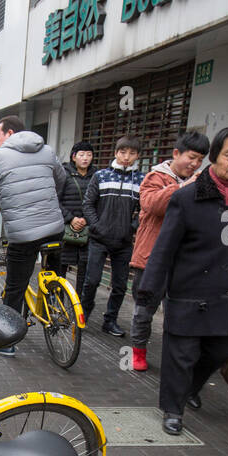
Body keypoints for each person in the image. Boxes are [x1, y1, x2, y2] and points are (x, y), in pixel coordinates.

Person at [138, 127, 228, 436]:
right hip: (190, 287)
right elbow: (165, 246)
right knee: (180, 354)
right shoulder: (188, 196)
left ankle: (190, 389)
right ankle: (172, 408)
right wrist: (149, 288)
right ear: (216, 156)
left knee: (221, 350)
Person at [0, 115, 70, 356]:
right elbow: (61, 180)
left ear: (9, 134)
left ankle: (5, 342)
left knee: (16, 287)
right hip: (54, 227)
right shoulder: (47, 150)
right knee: (53, 272)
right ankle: (55, 305)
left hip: (22, 233)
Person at [129, 131, 210, 371]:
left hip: (184, 261)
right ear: (176, 153)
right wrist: (187, 186)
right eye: (191, 157)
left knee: (179, 315)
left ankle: (175, 357)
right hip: (151, 260)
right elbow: (153, 204)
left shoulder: (198, 182)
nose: (195, 164)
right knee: (144, 311)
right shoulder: (155, 177)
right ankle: (138, 352)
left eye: (200, 160)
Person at [81, 136, 144, 337]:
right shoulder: (101, 176)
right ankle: (82, 315)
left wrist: (132, 228)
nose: (127, 157)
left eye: (132, 153)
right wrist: (97, 226)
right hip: (99, 238)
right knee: (92, 281)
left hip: (124, 242)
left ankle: (110, 320)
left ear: (138, 156)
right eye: (123, 152)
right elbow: (88, 204)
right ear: (116, 153)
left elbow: (145, 211)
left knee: (119, 285)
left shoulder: (141, 180)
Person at [57, 141, 96, 296]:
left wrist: (87, 218)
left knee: (84, 272)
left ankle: (79, 308)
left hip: (87, 230)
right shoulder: (63, 174)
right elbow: (55, 200)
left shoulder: (96, 176)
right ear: (74, 157)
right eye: (81, 154)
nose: (85, 158)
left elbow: (98, 202)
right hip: (66, 230)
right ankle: (57, 306)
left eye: (89, 155)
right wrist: (71, 218)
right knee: (61, 270)